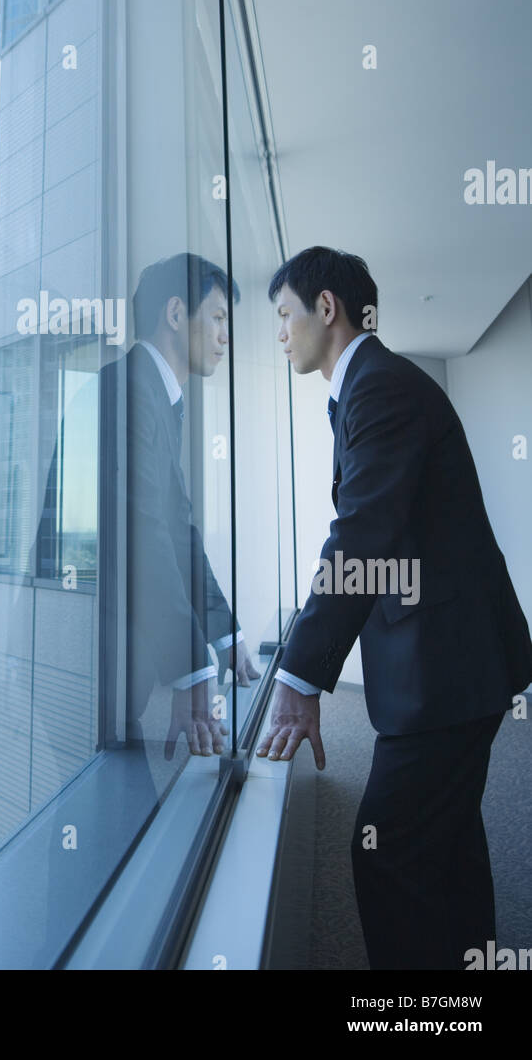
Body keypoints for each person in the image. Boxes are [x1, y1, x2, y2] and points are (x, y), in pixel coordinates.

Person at [258, 245, 532, 970]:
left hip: (447, 672)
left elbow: (361, 536)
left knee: (389, 855)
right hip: (459, 661)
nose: (279, 333)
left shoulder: (380, 387)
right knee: (443, 847)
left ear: (326, 307)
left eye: (284, 314)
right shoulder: (369, 388)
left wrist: (298, 679)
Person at [111, 253, 260, 761]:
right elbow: (144, 528)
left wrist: (221, 630)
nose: (225, 336)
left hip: (121, 656)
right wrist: (190, 665)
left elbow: (177, 527)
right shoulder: (131, 386)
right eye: (218, 318)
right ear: (176, 314)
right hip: (90, 651)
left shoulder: (156, 392)